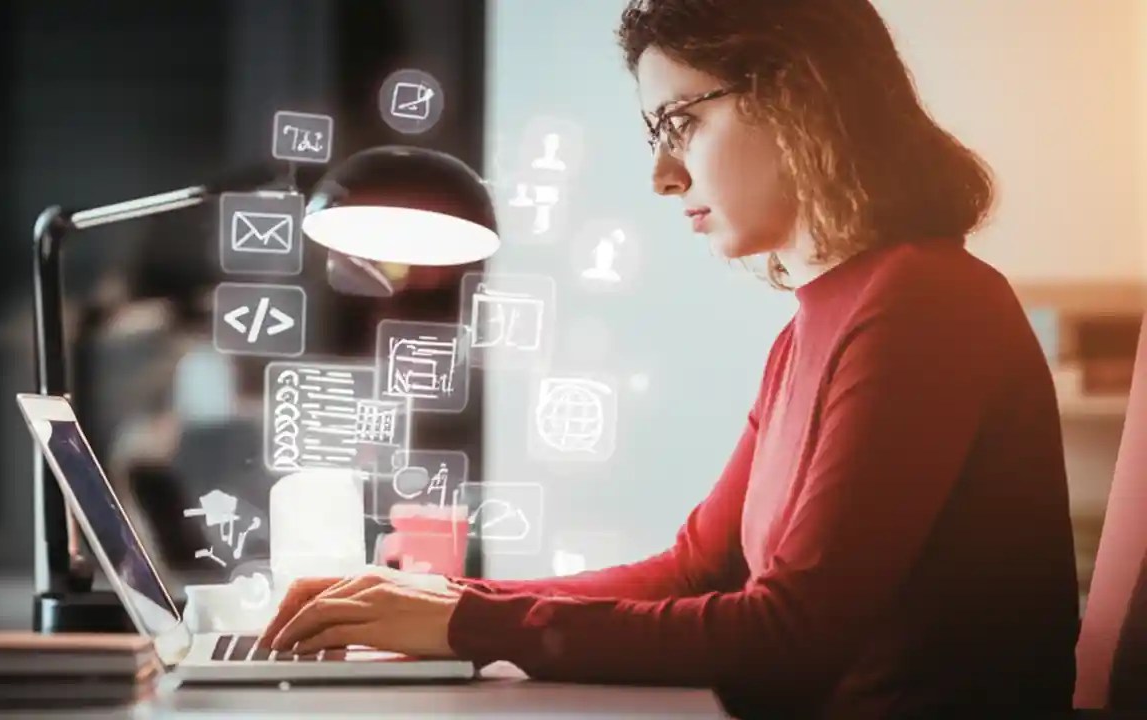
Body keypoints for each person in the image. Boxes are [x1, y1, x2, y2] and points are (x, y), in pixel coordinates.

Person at [257, 0, 1080, 716]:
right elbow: (697, 570)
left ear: (803, 96)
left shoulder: (925, 304)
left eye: (681, 122)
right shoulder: (816, 325)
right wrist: (447, 600)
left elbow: (789, 638)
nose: (661, 173)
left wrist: (468, 625)